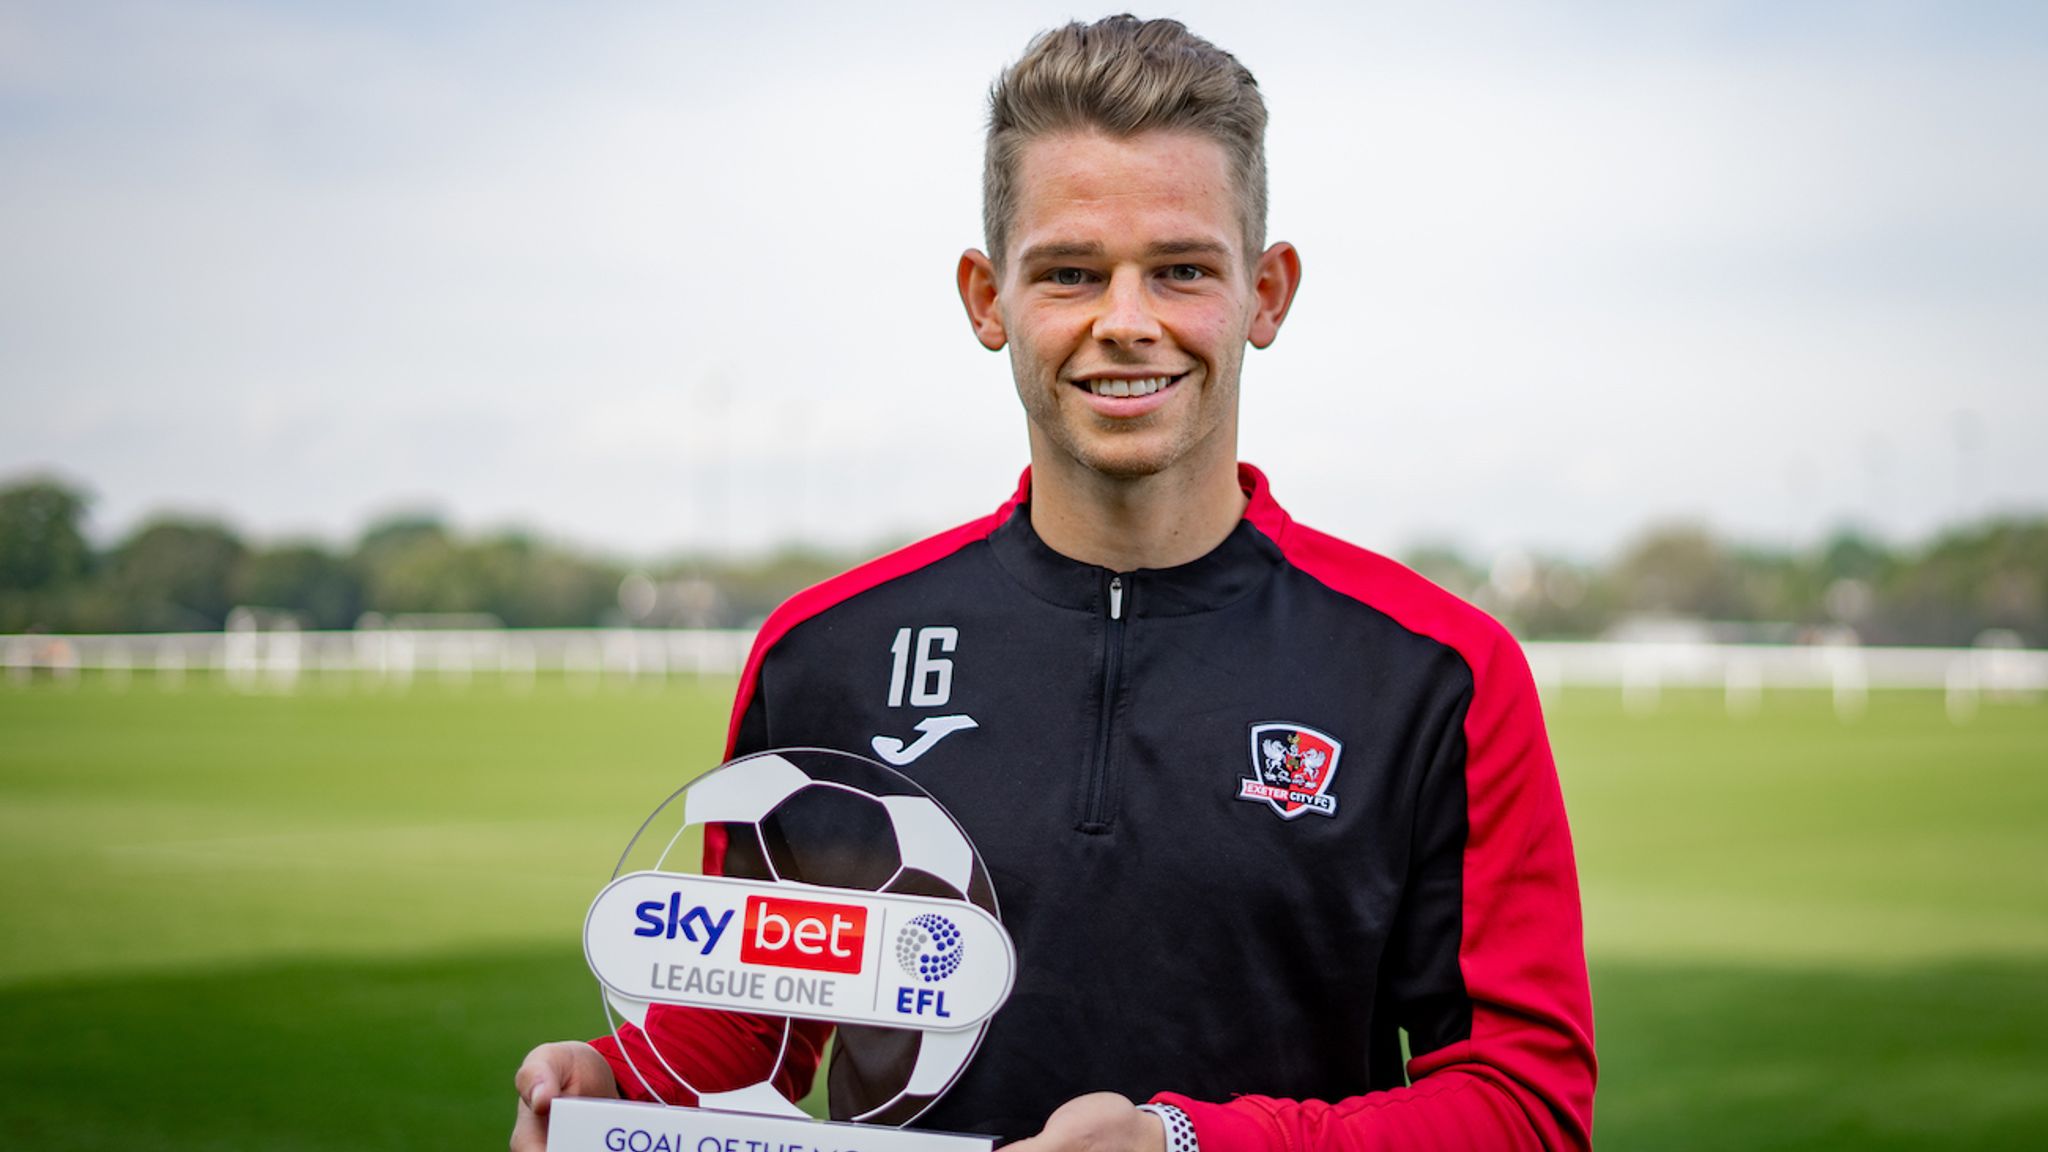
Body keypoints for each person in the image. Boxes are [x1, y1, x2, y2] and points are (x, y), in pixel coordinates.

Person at [515, 15, 1595, 1152]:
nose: (1124, 324)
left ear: (1265, 294)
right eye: (1070, 273)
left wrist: (1187, 1148)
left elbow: (1523, 1107)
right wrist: (615, 1087)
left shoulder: (1437, 675)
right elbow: (753, 1034)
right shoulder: (821, 654)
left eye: (1181, 271)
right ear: (987, 298)